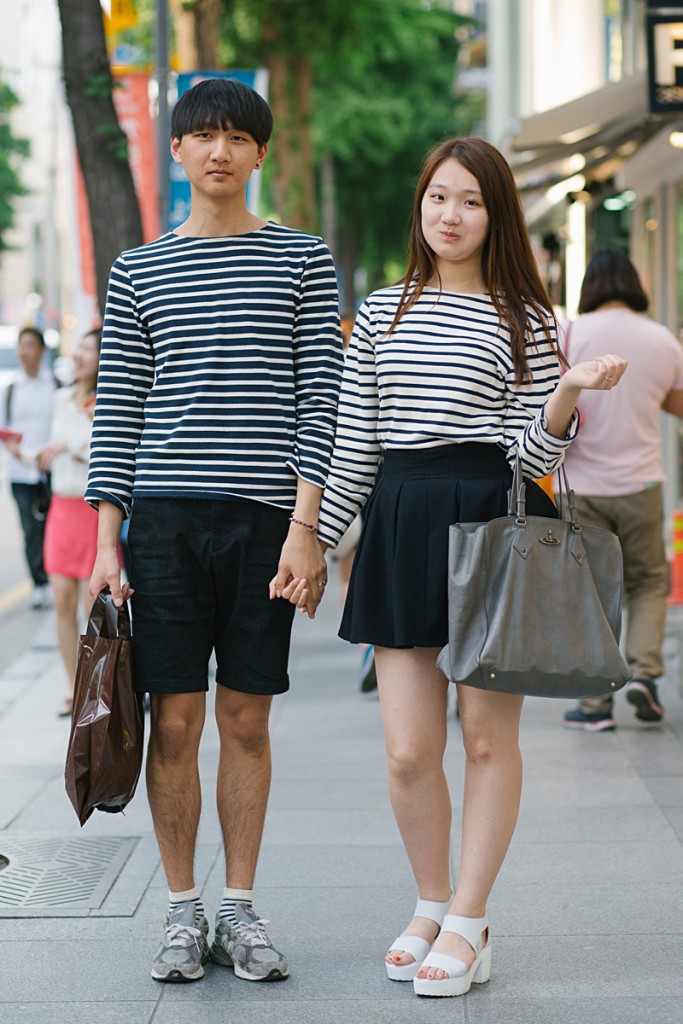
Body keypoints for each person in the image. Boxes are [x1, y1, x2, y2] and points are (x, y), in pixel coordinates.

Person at [300, 137, 626, 999]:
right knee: (409, 750)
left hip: (491, 520)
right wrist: (314, 541)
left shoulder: (524, 316)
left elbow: (527, 457)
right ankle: (431, 900)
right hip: (402, 523)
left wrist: (567, 391)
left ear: (496, 215)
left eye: (470, 201)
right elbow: (355, 444)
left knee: (486, 739)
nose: (450, 215)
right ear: (421, 206)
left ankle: (470, 920)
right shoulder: (377, 311)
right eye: (438, 197)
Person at [85, 77, 343, 984]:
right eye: (204, 137)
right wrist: (106, 539)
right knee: (175, 720)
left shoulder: (303, 260)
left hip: (264, 521)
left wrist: (306, 529)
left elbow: (323, 399)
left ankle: (239, 909)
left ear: (260, 154)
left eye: (238, 137)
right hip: (160, 523)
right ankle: (181, 911)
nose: (220, 151)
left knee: (245, 718)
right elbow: (119, 405)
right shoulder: (138, 269)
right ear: (180, 152)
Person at [560, 249, 683, 732]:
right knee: (649, 581)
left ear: (590, 285)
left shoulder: (569, 333)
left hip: (583, 488)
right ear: (634, 283)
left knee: (591, 591)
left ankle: (594, 706)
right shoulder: (660, 338)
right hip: (642, 483)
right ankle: (646, 676)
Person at [37, 330, 102, 717]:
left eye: (87, 350)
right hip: (61, 508)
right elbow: (50, 452)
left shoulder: (106, 399)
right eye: (77, 348)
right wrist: (25, 453)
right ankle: (71, 686)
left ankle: (95, 690)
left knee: (90, 604)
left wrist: (70, 447)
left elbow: (101, 455)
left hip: (91, 511)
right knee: (62, 601)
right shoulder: (60, 398)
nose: (78, 355)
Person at [0, 327, 56, 608]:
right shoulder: (10, 390)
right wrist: (9, 446)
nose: (24, 351)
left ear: (41, 351)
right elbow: (3, 428)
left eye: (30, 345)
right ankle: (39, 583)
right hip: (20, 473)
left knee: (50, 529)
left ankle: (52, 578)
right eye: (21, 346)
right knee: (29, 530)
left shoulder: (55, 385)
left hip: (50, 472)